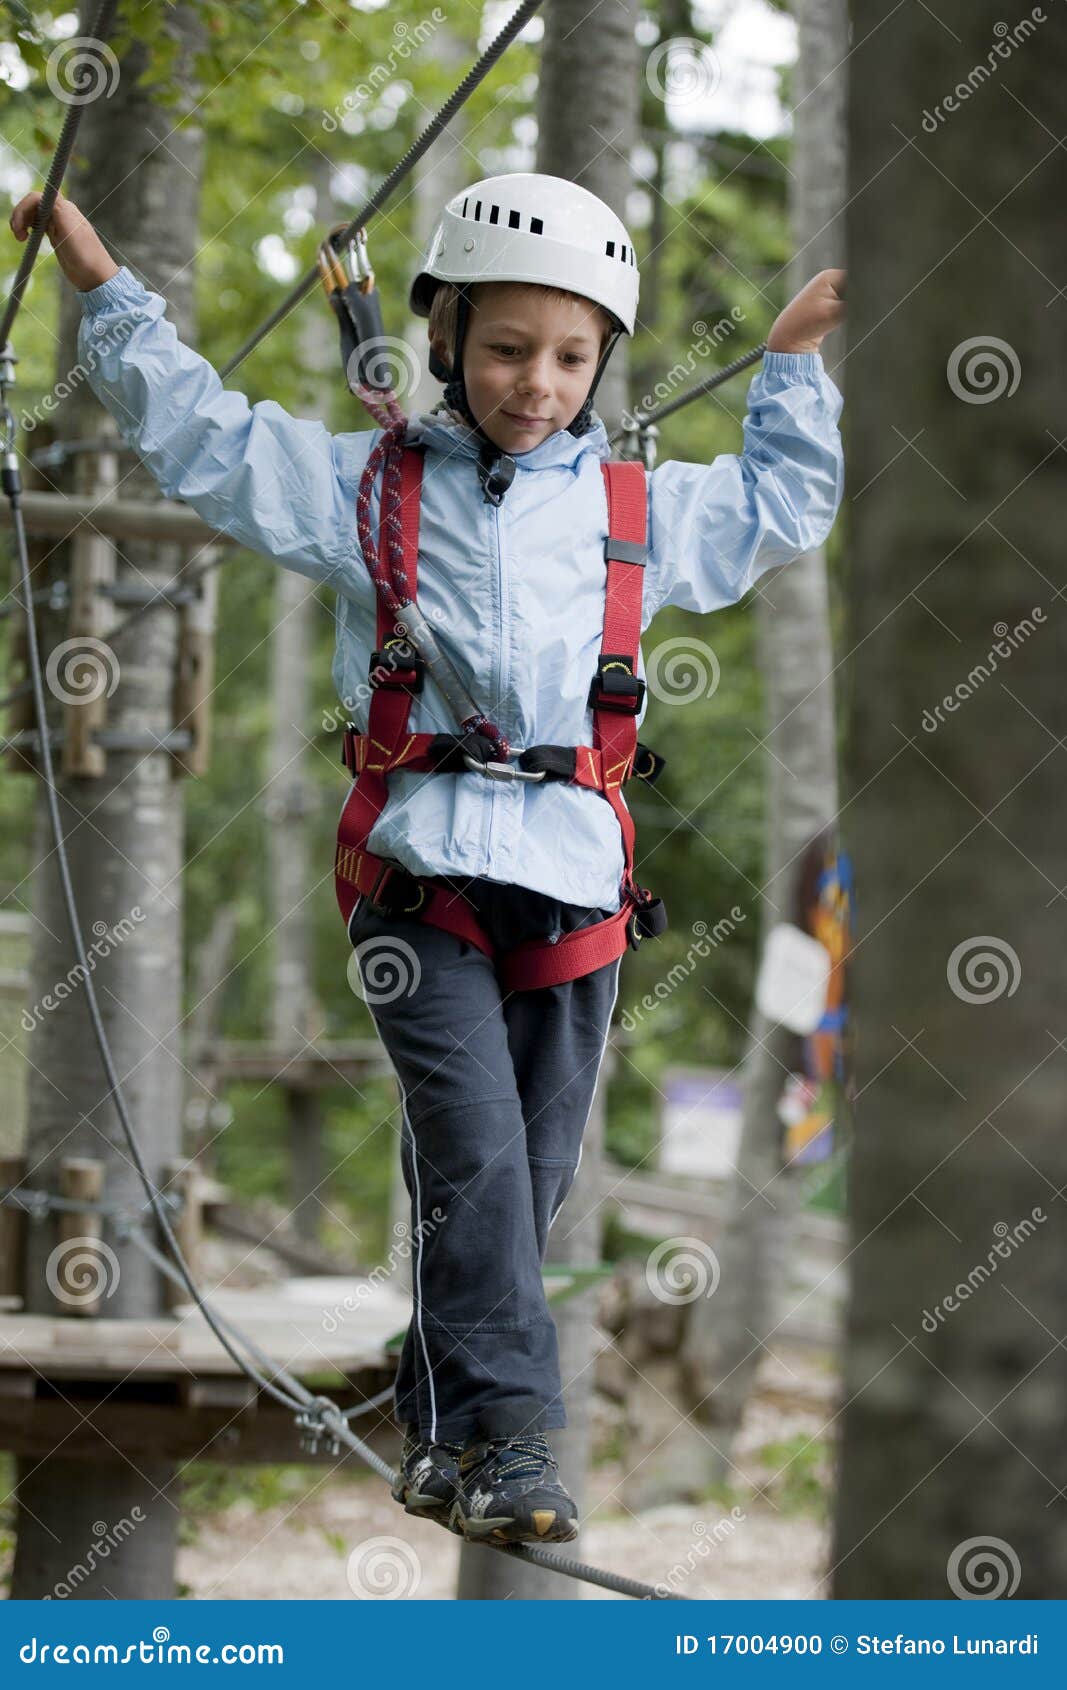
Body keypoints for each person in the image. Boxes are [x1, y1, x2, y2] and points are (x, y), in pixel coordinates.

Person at [9, 173, 845, 1546]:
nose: (539, 383)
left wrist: (794, 359)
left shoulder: (634, 507)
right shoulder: (369, 487)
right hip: (423, 882)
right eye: (509, 348)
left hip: (576, 888)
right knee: (476, 1157)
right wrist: (105, 291)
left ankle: (436, 1415)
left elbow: (778, 507)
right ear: (446, 337)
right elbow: (206, 439)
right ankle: (517, 1442)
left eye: (572, 357)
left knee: (531, 1171)